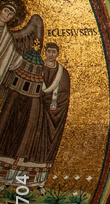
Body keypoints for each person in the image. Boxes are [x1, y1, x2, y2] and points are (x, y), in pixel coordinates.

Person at [0, 41, 71, 188]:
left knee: (39, 146)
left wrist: (54, 104)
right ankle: (10, 177)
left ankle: (30, 181)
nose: (51, 54)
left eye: (54, 52)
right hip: (34, 110)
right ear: (45, 52)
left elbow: (64, 92)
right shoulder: (37, 68)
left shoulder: (61, 72)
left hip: (49, 113)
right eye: (49, 51)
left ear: (57, 53)